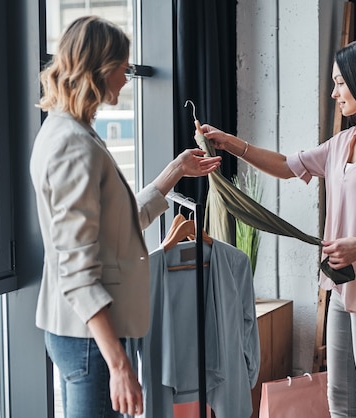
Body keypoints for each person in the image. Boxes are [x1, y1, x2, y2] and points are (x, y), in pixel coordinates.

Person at [202, 39, 356, 418]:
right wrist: (231, 145)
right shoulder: (344, 141)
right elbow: (287, 164)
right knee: (339, 399)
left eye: (340, 83)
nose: (333, 93)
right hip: (341, 285)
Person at [29, 16, 221, 418]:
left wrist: (174, 173)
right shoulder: (72, 146)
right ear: (100, 69)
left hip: (84, 332)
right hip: (92, 337)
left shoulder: (72, 131)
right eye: (123, 65)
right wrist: (119, 365)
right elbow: (76, 269)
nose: (128, 74)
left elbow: (113, 226)